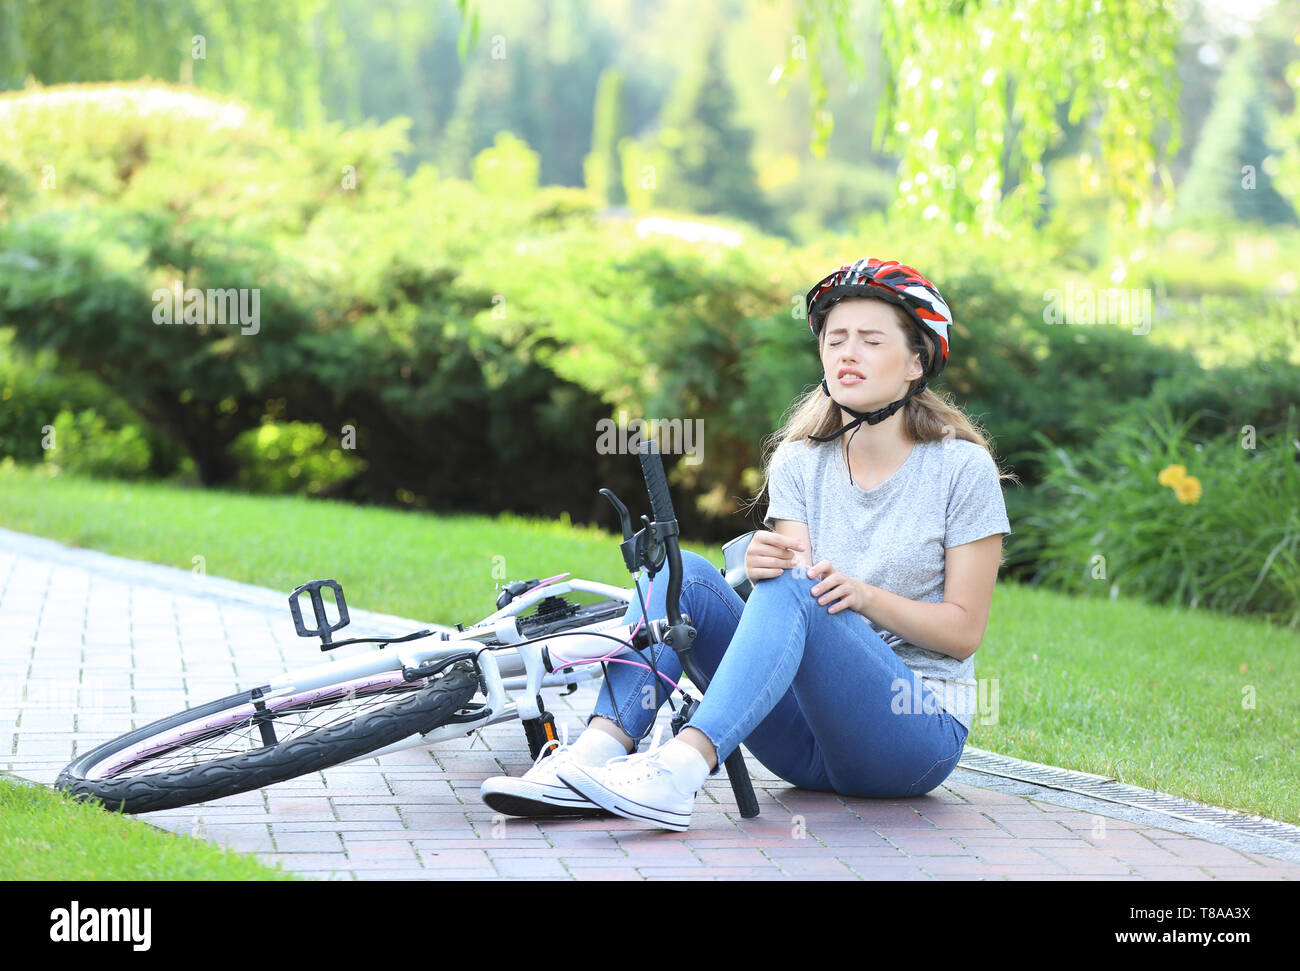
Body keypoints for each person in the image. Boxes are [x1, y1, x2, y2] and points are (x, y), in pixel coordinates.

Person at [479, 257, 1014, 831]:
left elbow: (962, 633)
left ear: (916, 361)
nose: (847, 353)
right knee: (675, 575)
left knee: (800, 585)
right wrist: (764, 572)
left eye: (870, 340)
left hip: (910, 739)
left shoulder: (961, 469)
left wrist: (860, 596)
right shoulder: (800, 460)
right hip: (801, 744)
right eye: (835, 339)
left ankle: (680, 769)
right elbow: (793, 600)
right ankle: (593, 756)